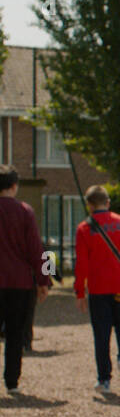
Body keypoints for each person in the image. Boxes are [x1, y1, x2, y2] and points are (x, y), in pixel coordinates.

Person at [74, 185, 120, 394]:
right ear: (108, 202)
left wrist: (79, 292)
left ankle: (104, 379)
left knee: (101, 335)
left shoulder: (85, 229)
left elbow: (82, 265)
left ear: (89, 205)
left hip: (98, 289)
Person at [0, 164, 51, 395]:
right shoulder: (24, 211)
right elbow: (35, 248)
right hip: (19, 282)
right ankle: (12, 381)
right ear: (14, 185)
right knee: (15, 333)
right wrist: (43, 280)